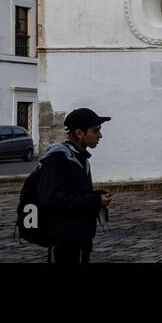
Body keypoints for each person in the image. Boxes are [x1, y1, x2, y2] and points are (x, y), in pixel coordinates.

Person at [39, 108, 114, 263]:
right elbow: (52, 200)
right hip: (64, 239)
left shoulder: (81, 159)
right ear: (80, 133)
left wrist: (97, 197)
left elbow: (76, 193)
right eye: (95, 131)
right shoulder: (57, 160)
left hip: (81, 236)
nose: (100, 135)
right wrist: (94, 200)